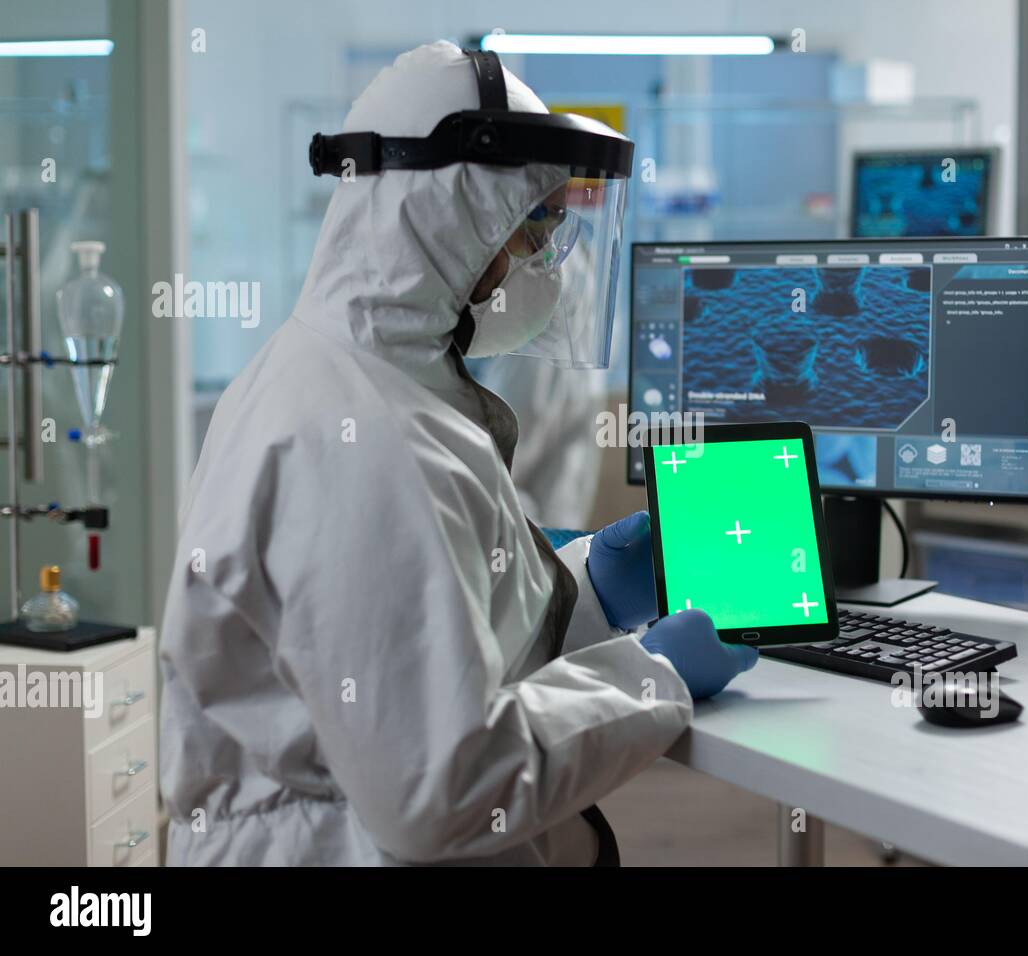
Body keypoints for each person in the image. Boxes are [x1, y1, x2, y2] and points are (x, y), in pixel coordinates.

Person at [158, 40, 756, 867]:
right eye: (534, 224)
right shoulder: (363, 443)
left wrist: (581, 593)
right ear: (453, 219)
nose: (546, 257)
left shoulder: (348, 378)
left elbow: (432, 654)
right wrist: (649, 678)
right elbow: (440, 790)